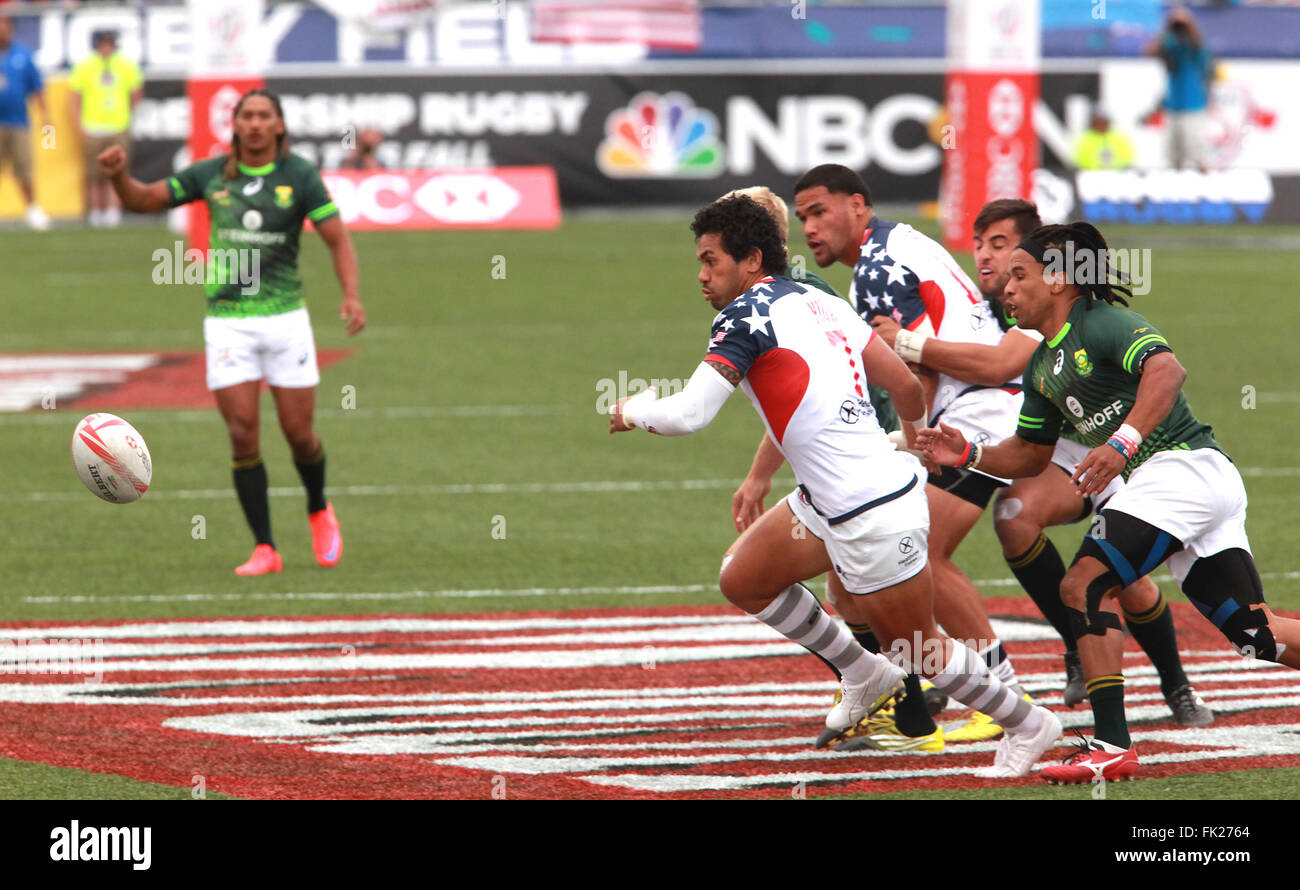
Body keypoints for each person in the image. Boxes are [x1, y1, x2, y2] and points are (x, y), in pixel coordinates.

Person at [609, 194, 1062, 778]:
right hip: (837, 500)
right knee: (743, 578)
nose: (701, 276)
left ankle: (1029, 723)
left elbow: (690, 414)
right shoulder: (819, 302)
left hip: (868, 511)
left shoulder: (744, 317)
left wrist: (633, 410)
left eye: (710, 260)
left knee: (917, 649)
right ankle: (863, 674)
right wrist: (911, 439)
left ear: (750, 261)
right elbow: (905, 386)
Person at [917, 221, 1300, 783]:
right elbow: (1026, 455)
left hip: (1181, 469)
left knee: (1083, 585)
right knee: (1254, 634)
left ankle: (1111, 744)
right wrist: (966, 451)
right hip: (1190, 483)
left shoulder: (1100, 322)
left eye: (1020, 275)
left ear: (1061, 280)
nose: (1008, 288)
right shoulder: (1041, 366)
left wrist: (1123, 442)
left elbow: (1167, 370)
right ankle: (1115, 738)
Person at [785, 164, 1031, 747]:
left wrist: (902, 441)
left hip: (975, 414)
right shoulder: (895, 246)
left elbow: (912, 369)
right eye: (802, 219)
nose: (811, 229)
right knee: (883, 563)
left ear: (859, 205)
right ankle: (918, 690)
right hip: (977, 408)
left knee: (927, 553)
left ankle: (1000, 696)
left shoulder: (878, 264)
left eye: (821, 212)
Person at [99, 88, 366, 576]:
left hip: (286, 319)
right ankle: (265, 548)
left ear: (279, 125)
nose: (257, 124)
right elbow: (143, 200)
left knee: (299, 435)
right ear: (235, 124)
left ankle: (318, 508)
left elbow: (337, 239)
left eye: (266, 116)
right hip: (228, 323)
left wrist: (350, 294)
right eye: (248, 116)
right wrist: (118, 175)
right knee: (243, 435)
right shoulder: (210, 174)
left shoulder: (299, 176)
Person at [968, 200, 1211, 727]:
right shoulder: (1001, 303)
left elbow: (995, 365)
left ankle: (1175, 684)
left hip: (1131, 452)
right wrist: (964, 450)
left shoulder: (1065, 309)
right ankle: (1080, 647)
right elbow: (1027, 442)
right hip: (1066, 451)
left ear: (1050, 266)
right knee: (1015, 518)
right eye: (979, 243)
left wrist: (911, 344)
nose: (987, 259)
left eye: (1002, 247)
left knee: (1120, 576)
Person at [69, 30, 142, 227]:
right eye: (103, 43)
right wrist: (78, 125)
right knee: (93, 173)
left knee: (117, 173)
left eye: (110, 43)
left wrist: (126, 117)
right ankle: (95, 212)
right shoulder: (86, 65)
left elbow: (136, 93)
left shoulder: (125, 64)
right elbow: (75, 98)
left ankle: (112, 211)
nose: (106, 47)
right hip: (93, 126)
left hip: (117, 126)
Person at [1144, 6, 1213, 171]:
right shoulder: (1170, 44)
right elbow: (1150, 51)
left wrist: (1187, 23)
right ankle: (1176, 181)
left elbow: (1201, 49)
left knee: (1197, 146)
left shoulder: (1195, 47)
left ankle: (1205, 179)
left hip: (1193, 104)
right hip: (1173, 103)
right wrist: (1168, 28)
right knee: (1173, 151)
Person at [0, 15, 50, 230]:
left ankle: (32, 209)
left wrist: (46, 116)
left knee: (24, 168)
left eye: (4, 26)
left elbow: (37, 86)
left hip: (18, 121)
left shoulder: (23, 54)